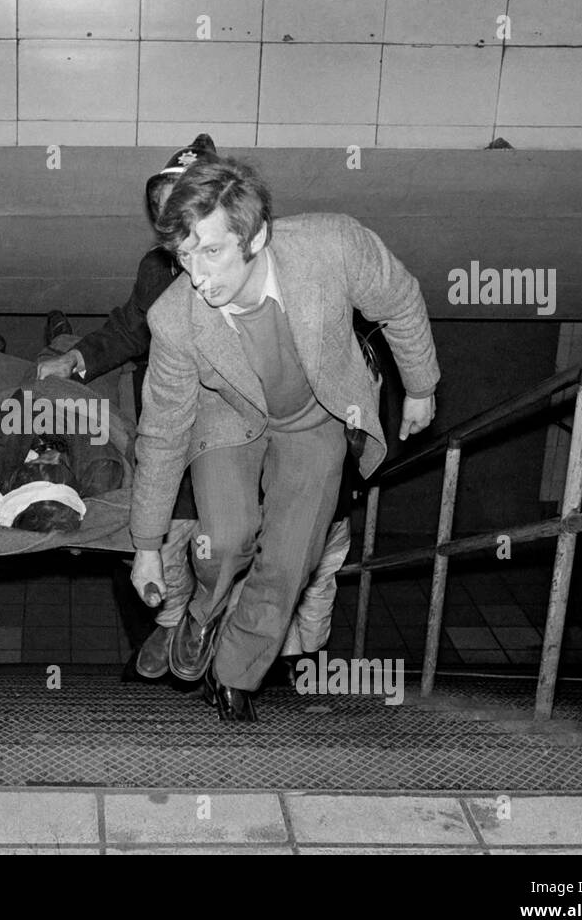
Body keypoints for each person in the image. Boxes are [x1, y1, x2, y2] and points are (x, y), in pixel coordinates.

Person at [129, 157, 440, 722]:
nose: (196, 277)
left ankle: (233, 672)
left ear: (257, 235)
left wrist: (420, 386)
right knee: (224, 538)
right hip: (228, 417)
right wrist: (147, 544)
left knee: (290, 556)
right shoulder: (174, 319)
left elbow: (398, 297)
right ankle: (203, 612)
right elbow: (163, 429)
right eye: (183, 257)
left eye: (211, 252)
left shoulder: (332, 246)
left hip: (315, 417)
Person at [36, 135, 219, 681]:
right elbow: (129, 329)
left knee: (222, 547)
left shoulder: (249, 261)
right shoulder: (156, 269)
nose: (169, 220)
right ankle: (171, 623)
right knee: (162, 537)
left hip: (227, 432)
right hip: (165, 428)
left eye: (182, 202)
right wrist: (76, 359)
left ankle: (205, 628)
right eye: (162, 208)